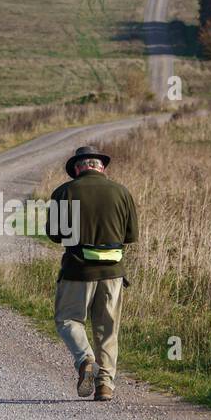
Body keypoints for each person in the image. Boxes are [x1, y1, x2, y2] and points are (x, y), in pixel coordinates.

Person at [46, 145, 139, 401]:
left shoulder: (65, 192)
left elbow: (55, 235)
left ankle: (85, 358)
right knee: (107, 330)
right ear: (102, 167)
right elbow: (131, 236)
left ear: (77, 169)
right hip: (113, 273)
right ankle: (105, 386)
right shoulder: (122, 192)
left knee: (68, 320)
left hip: (78, 270)